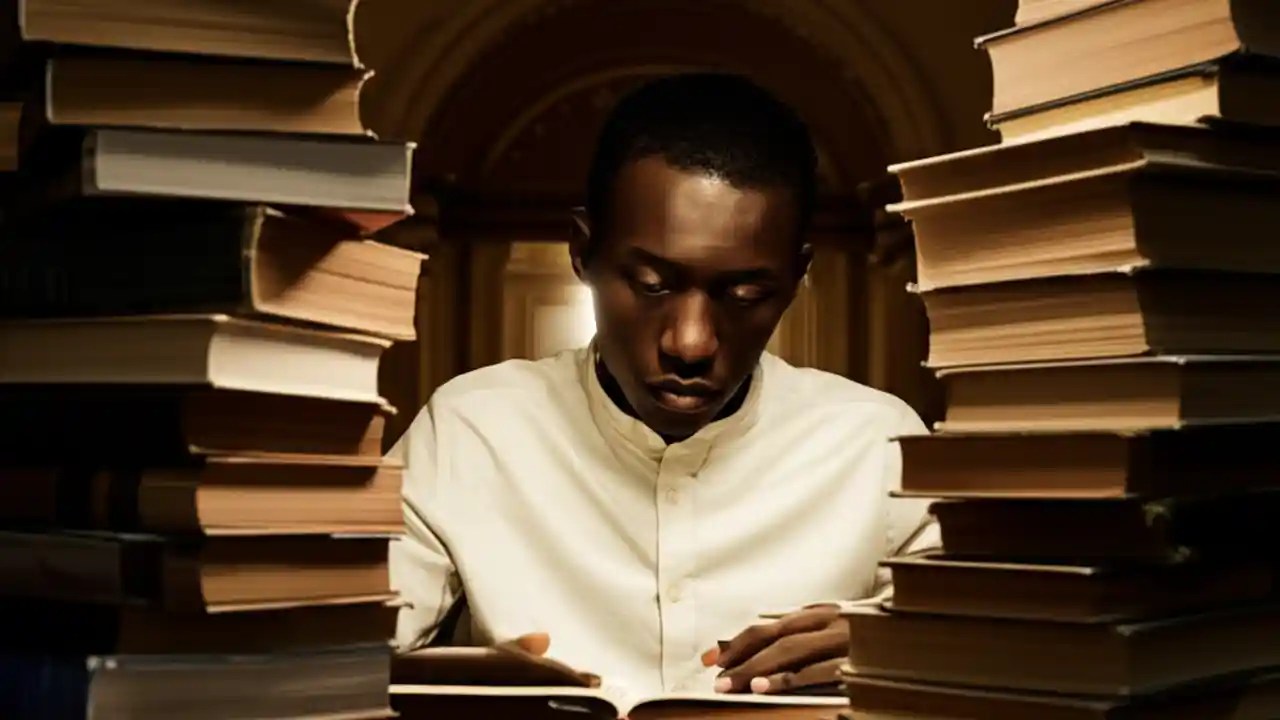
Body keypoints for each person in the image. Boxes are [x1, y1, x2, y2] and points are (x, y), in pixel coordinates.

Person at [389, 72, 935, 699]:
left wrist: (897, 649)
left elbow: (993, 658)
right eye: (652, 285)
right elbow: (338, 644)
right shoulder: (468, 430)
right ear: (583, 251)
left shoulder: (880, 446)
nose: (691, 343)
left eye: (747, 295)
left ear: (796, 277)